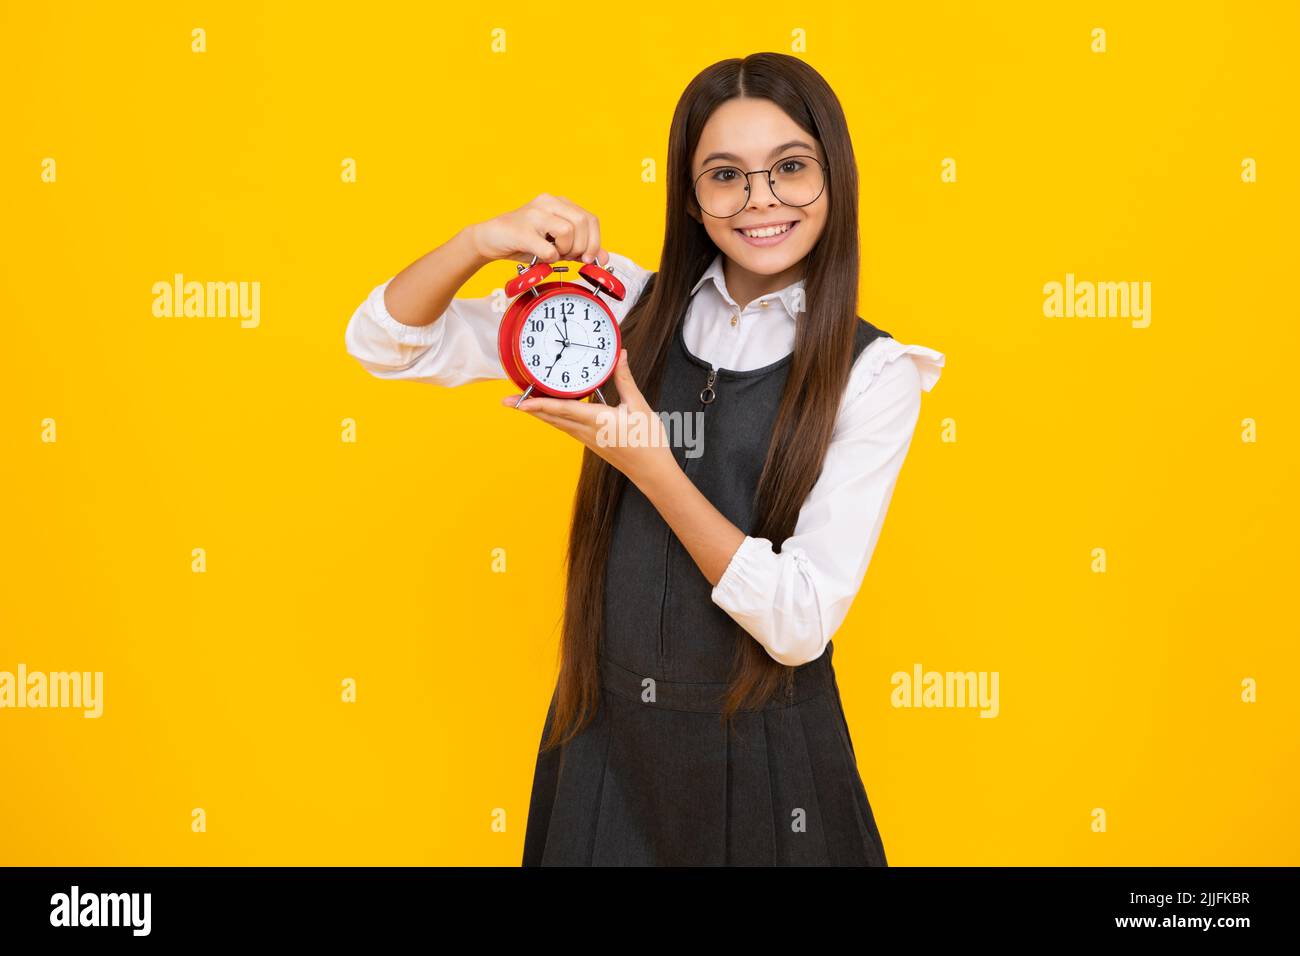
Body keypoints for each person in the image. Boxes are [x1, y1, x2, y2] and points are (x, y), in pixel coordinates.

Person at [344, 52, 945, 866]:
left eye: (791, 169)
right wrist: (479, 241)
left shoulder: (874, 375)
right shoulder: (614, 305)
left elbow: (800, 622)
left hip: (767, 758)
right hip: (609, 742)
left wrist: (652, 466)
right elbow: (387, 345)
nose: (760, 199)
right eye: (725, 175)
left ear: (834, 179)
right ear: (693, 201)